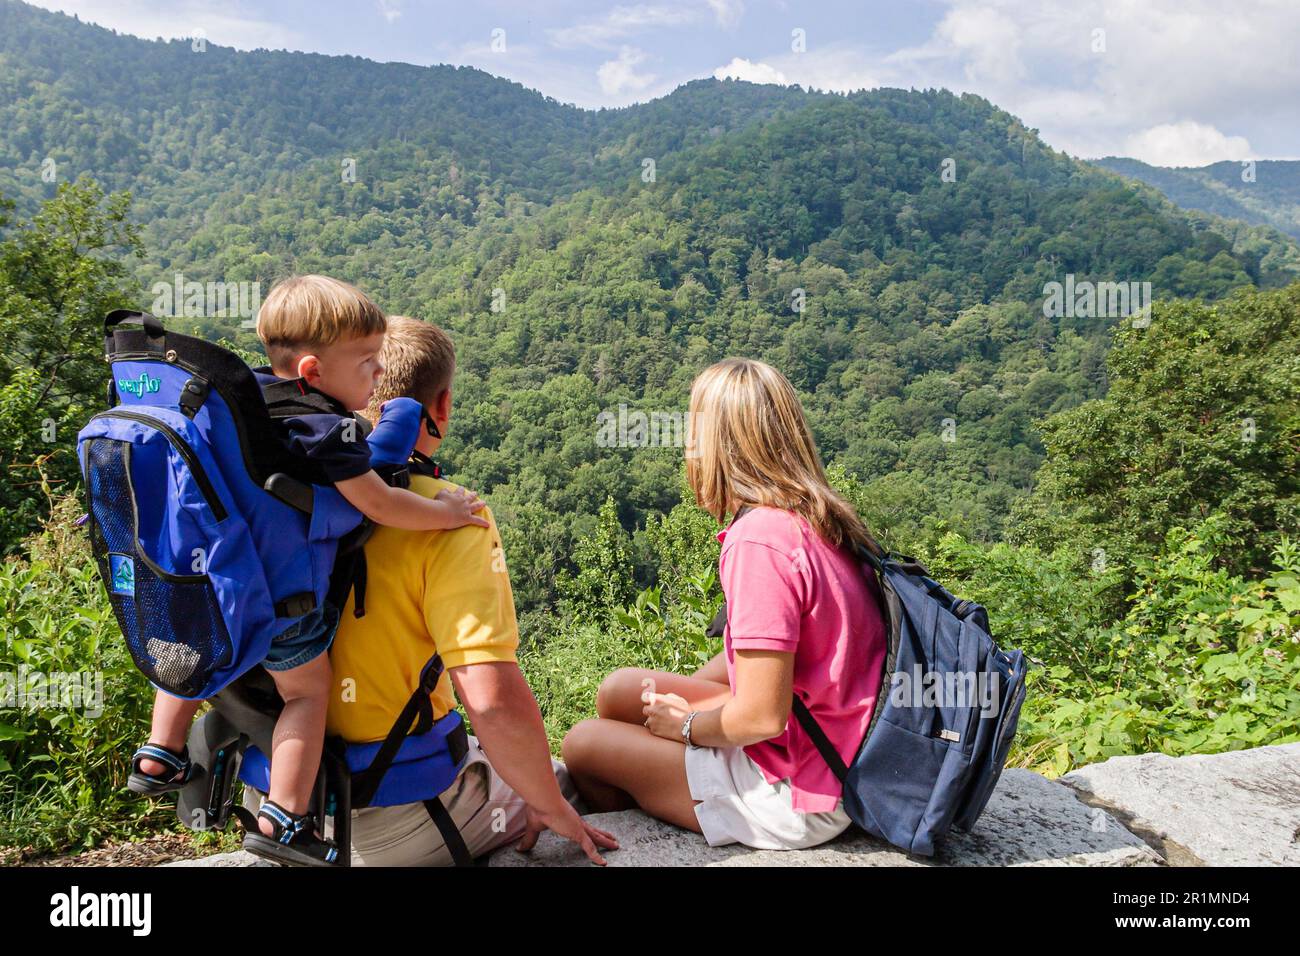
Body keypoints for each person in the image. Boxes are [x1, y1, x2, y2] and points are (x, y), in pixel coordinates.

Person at [129, 276, 489, 866]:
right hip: (278, 604)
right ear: (316, 371)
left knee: (189, 652)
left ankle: (160, 751)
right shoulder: (328, 428)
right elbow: (378, 501)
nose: (377, 378)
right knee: (308, 694)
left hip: (205, 587)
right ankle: (286, 818)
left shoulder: (233, 407)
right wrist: (443, 513)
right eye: (369, 364)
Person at [245, 315, 617, 866]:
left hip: (270, 798)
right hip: (399, 812)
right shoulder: (451, 516)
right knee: (586, 780)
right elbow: (488, 696)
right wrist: (545, 799)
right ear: (438, 408)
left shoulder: (267, 491)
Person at [562, 357, 888, 851]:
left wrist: (687, 727)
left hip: (800, 790)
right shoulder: (816, 514)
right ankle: (670, 782)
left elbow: (760, 718)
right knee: (621, 691)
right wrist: (678, 711)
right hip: (833, 740)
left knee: (583, 745)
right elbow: (768, 658)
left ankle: (651, 841)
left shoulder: (759, 543)